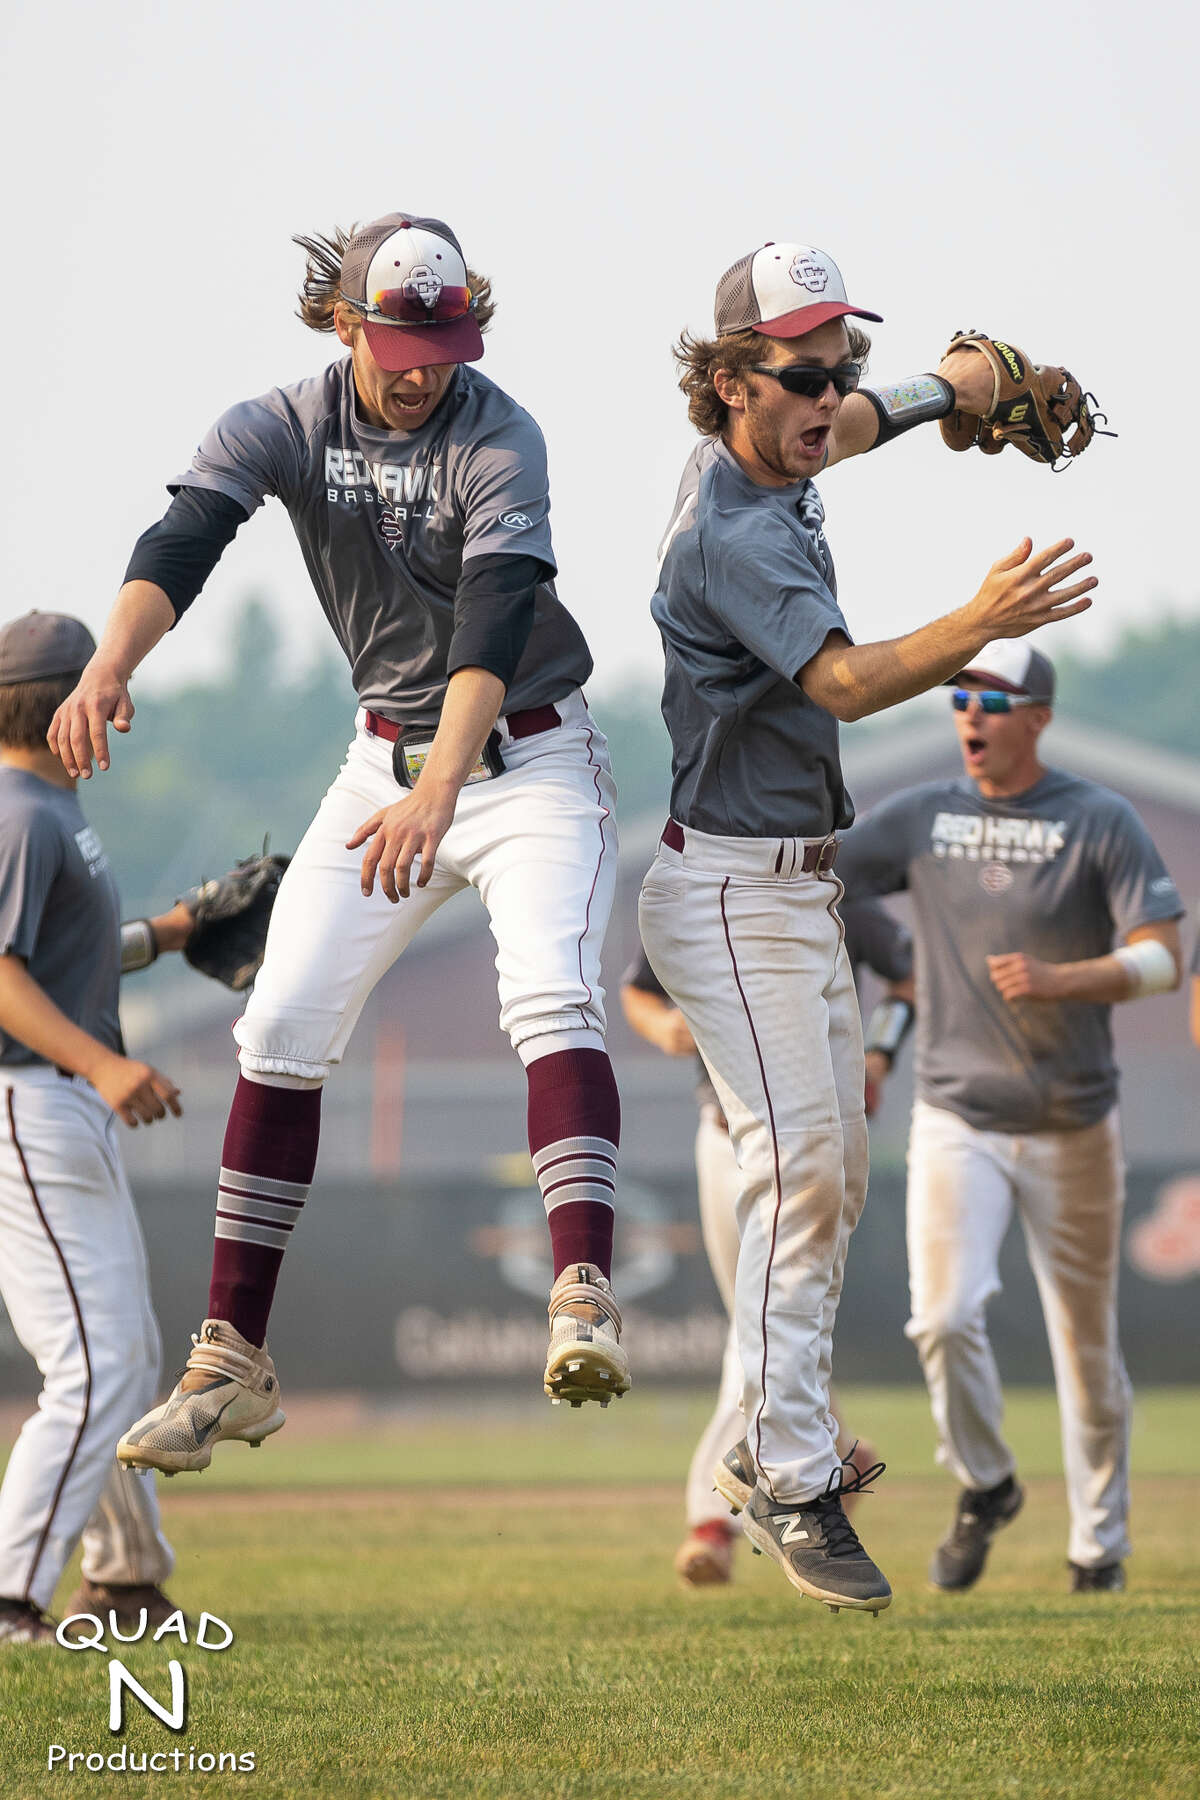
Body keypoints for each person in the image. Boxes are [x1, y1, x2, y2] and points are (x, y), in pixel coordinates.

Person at [48, 211, 627, 1477]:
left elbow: (491, 621)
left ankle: (581, 1286)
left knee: (550, 992)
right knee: (280, 1026)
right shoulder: (284, 419)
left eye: (446, 338)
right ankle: (234, 1361)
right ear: (343, 321)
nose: (428, 366)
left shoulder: (500, 431)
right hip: (382, 758)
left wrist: (446, 782)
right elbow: (184, 541)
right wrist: (108, 663)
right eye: (403, 340)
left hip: (527, 756)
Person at [637, 238, 1099, 1615]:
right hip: (727, 890)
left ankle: (783, 1433)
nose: (826, 395)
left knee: (828, 1173)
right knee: (800, 1168)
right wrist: (981, 622)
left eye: (837, 365)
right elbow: (840, 685)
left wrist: (951, 383)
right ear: (727, 381)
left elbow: (865, 418)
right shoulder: (727, 528)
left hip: (793, 889)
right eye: (798, 375)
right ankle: (781, 1469)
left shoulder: (790, 439)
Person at [836, 641, 1183, 1595]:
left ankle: (1098, 1552)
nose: (972, 716)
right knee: (942, 1319)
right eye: (961, 698)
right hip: (957, 1115)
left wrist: (1067, 979)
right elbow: (820, 872)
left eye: (993, 700)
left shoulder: (1098, 818)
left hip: (1075, 1120)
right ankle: (986, 1483)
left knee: (1086, 1342)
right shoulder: (924, 816)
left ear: (1038, 715)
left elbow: (1164, 956)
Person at [622, 897, 914, 1586]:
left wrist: (881, 1053)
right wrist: (668, 1027)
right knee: (762, 1320)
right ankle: (833, 1450)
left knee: (758, 1326)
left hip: (809, 1143)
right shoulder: (706, 881)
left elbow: (908, 977)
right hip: (726, 1134)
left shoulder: (828, 878)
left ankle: (711, 1522)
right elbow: (638, 994)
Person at [0, 610, 193, 1646]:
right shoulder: (18, 815)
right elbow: (2, 979)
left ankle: (121, 1580)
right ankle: (9, 1594)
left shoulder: (44, 807)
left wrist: (169, 933)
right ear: (69, 701)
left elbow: (62, 954)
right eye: (106, 688)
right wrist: (107, 1063)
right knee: (94, 1359)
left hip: (57, 1099)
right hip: (31, 1099)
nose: (119, 705)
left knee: (122, 1347)